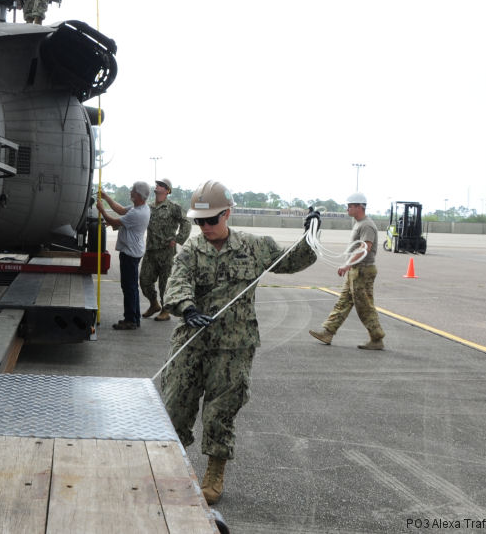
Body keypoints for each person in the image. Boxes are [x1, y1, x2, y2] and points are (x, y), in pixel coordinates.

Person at [161, 180, 320, 504]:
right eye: (198, 221)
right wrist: (188, 309)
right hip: (192, 343)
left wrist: (311, 234)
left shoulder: (253, 246)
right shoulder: (191, 250)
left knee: (220, 413)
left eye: (211, 220)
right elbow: (177, 283)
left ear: (227, 214)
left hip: (234, 347)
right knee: (175, 407)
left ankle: (214, 475)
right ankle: (169, 469)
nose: (204, 227)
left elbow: (291, 260)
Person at [309, 192, 386, 350]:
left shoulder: (367, 225)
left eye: (350, 206)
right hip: (356, 269)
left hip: (363, 270)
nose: (347, 209)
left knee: (364, 305)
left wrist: (347, 265)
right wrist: (350, 265)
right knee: (343, 302)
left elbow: (365, 248)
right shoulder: (358, 223)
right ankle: (328, 332)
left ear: (359, 207)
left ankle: (377, 338)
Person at [96, 182, 151, 330]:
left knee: (129, 287)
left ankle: (130, 320)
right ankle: (134, 318)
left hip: (130, 254)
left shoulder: (137, 213)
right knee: (131, 287)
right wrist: (106, 197)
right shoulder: (140, 208)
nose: (130, 191)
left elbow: (115, 220)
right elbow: (120, 210)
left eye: (133, 190)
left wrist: (102, 210)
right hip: (133, 252)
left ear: (139, 195)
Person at [140, 178, 192, 322]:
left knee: (165, 284)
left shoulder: (173, 207)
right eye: (157, 184)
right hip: (151, 251)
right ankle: (154, 304)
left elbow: (186, 223)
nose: (158, 186)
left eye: (161, 185)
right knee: (144, 281)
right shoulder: (148, 207)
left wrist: (178, 239)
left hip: (166, 252)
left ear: (167, 190)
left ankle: (165, 310)